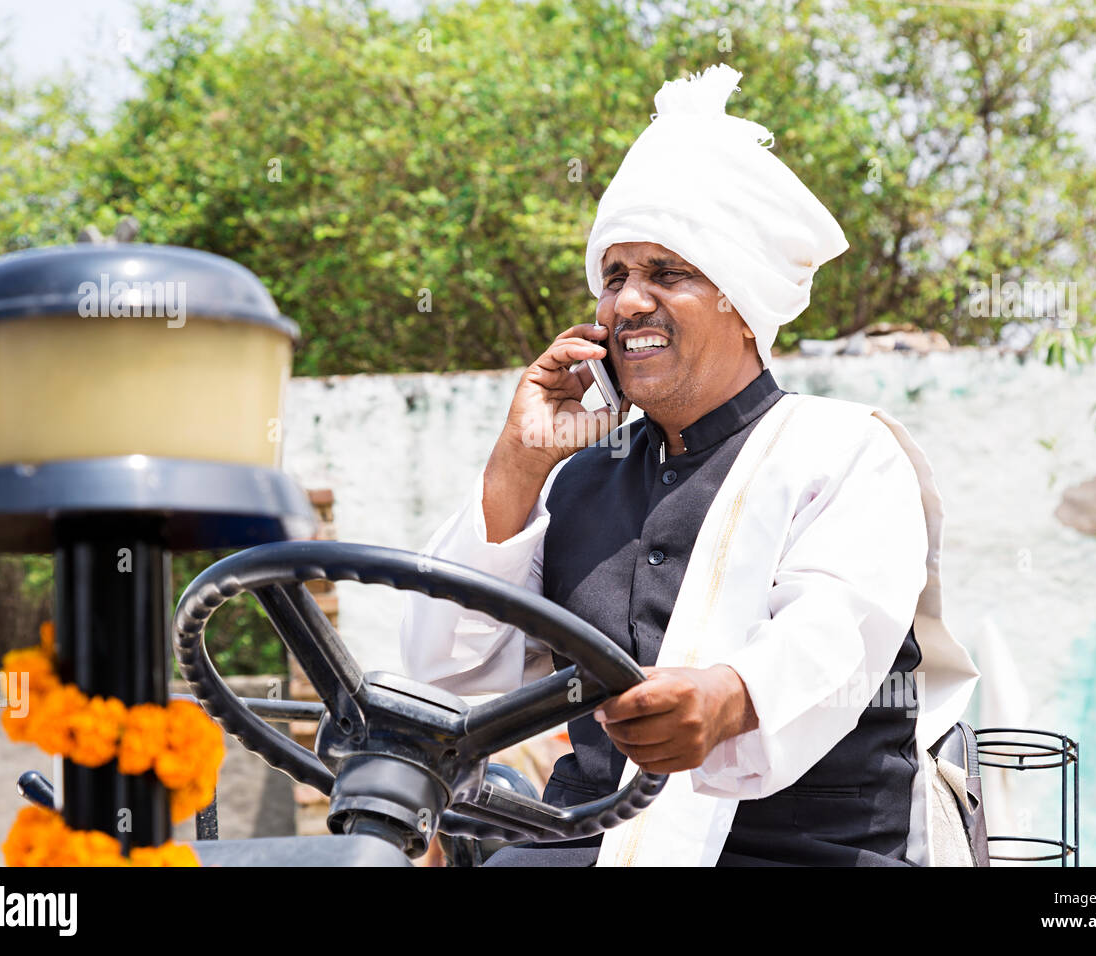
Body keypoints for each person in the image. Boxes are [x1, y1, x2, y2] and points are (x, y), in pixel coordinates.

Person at [400, 64, 979, 866]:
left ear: (743, 304)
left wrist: (729, 697)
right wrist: (518, 462)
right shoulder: (579, 479)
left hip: (799, 853)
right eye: (614, 276)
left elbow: (834, 634)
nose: (628, 302)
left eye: (667, 273)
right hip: (585, 842)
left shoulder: (844, 448)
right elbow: (447, 661)